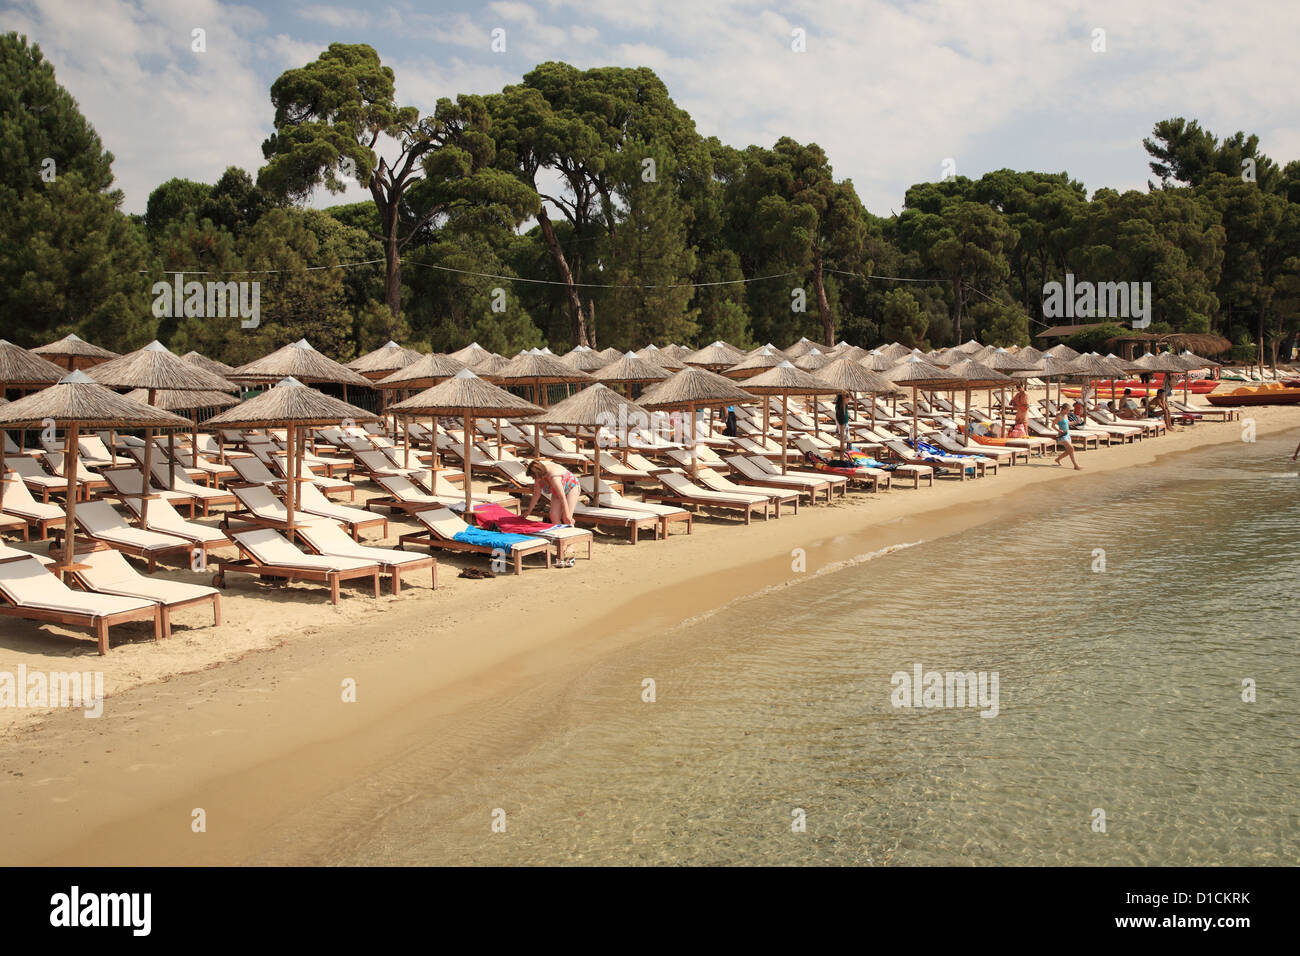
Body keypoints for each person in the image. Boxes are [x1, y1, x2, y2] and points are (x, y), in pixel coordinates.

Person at [524, 458, 580, 567]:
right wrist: (528, 511)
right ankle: (562, 539)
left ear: (538, 474)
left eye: (533, 476)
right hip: (557, 491)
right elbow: (536, 494)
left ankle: (570, 544)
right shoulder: (539, 477)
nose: (533, 479)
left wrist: (568, 514)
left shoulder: (554, 477)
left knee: (566, 518)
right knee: (553, 515)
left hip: (571, 487)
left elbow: (562, 497)